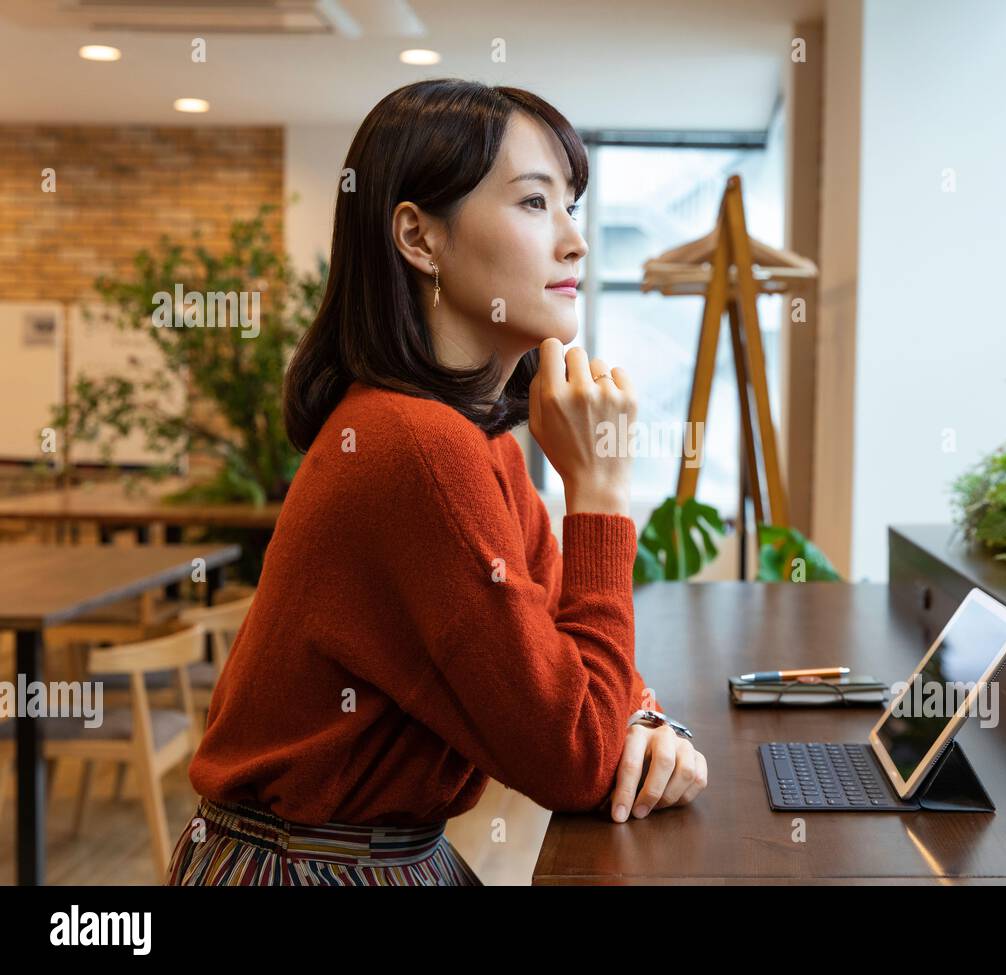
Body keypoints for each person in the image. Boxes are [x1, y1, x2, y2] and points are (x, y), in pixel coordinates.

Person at [166, 78, 707, 886]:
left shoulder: (471, 443)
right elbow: (576, 756)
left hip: (368, 857)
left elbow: (577, 668)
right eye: (534, 203)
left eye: (571, 206)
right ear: (419, 239)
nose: (575, 243)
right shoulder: (415, 447)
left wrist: (646, 717)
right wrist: (598, 493)